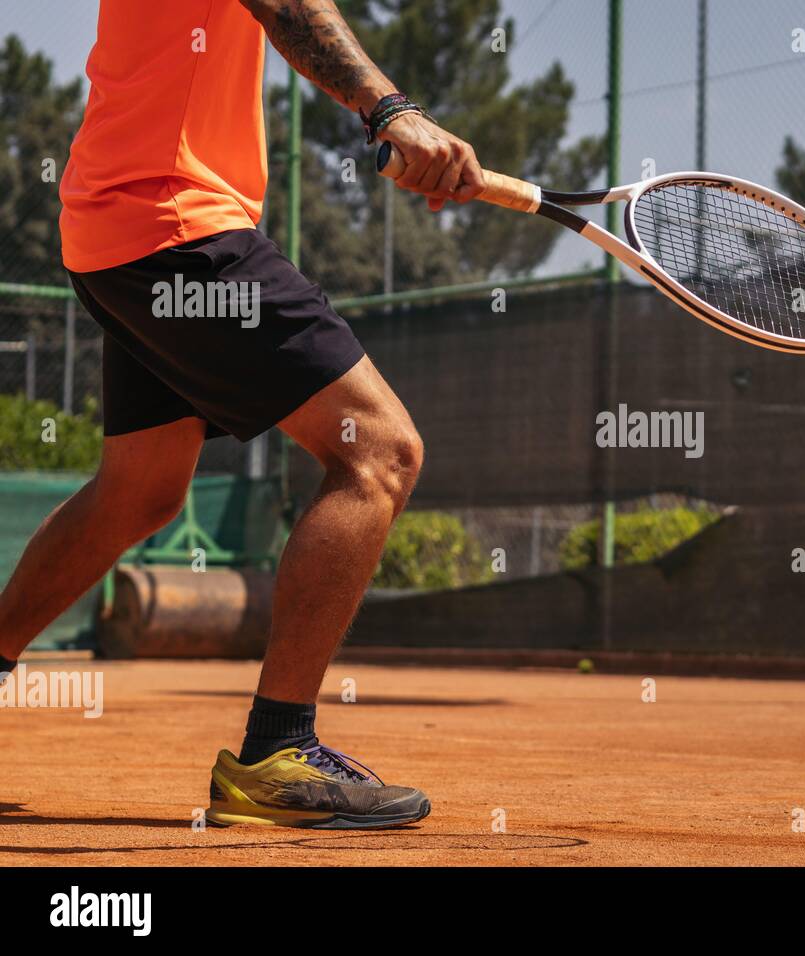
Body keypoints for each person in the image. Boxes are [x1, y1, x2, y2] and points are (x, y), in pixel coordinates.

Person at [0, 0, 483, 829]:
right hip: (176, 225)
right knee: (380, 453)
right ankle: (276, 751)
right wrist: (391, 108)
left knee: (140, 490)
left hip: (117, 228)